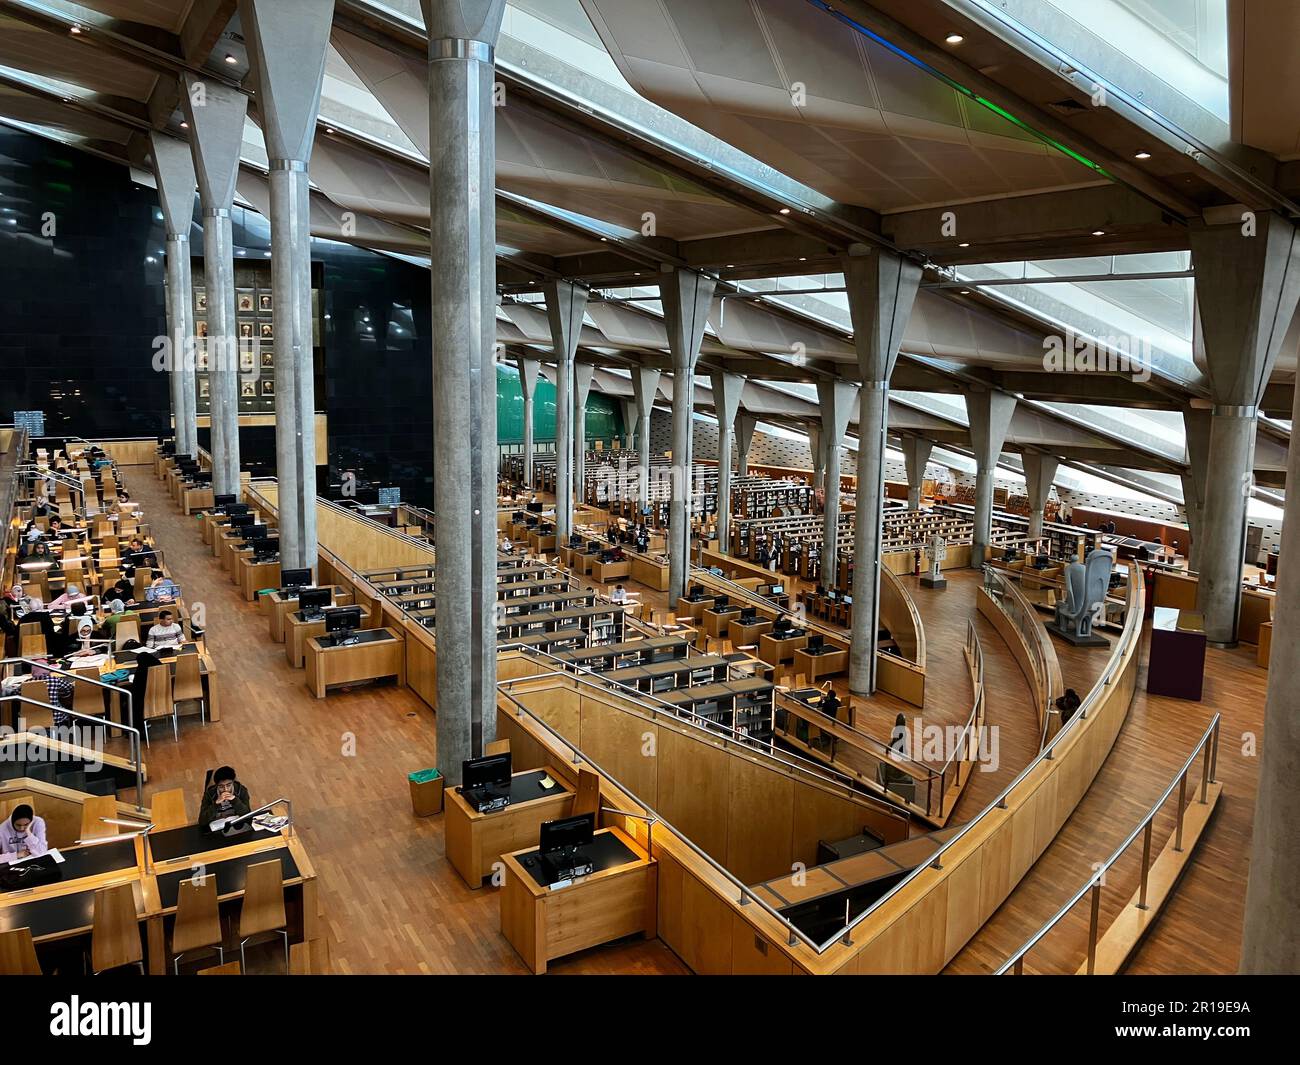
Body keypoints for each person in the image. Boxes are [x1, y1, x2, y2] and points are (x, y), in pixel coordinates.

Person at [199, 766, 252, 830]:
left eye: (228, 785)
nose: (225, 789)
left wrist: (235, 800)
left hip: (237, 824)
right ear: (216, 785)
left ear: (233, 782)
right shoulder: (210, 794)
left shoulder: (241, 790)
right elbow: (202, 821)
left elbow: (248, 815)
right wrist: (216, 804)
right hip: (217, 826)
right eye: (221, 786)